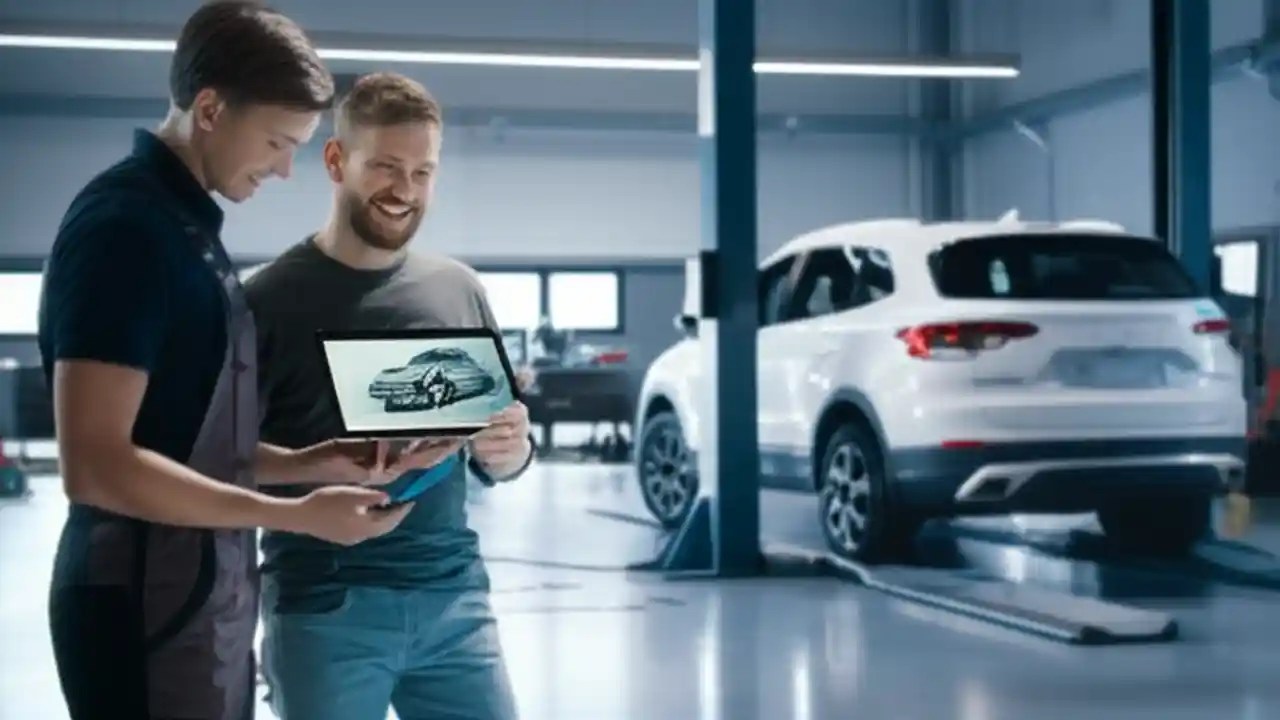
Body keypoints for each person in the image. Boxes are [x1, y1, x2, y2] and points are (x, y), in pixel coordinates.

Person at [37, 4, 415, 719]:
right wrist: (299, 516)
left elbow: (181, 443)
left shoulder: (185, 232)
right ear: (209, 109)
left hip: (192, 591)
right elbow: (95, 463)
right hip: (137, 597)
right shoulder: (126, 231)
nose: (282, 169)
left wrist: (313, 461)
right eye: (277, 142)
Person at [245, 72, 534, 720]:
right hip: (324, 606)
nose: (405, 190)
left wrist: (509, 447)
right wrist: (304, 475)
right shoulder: (265, 301)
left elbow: (501, 458)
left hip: (454, 600)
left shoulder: (456, 289)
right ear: (336, 160)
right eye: (386, 167)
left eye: (423, 172)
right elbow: (215, 458)